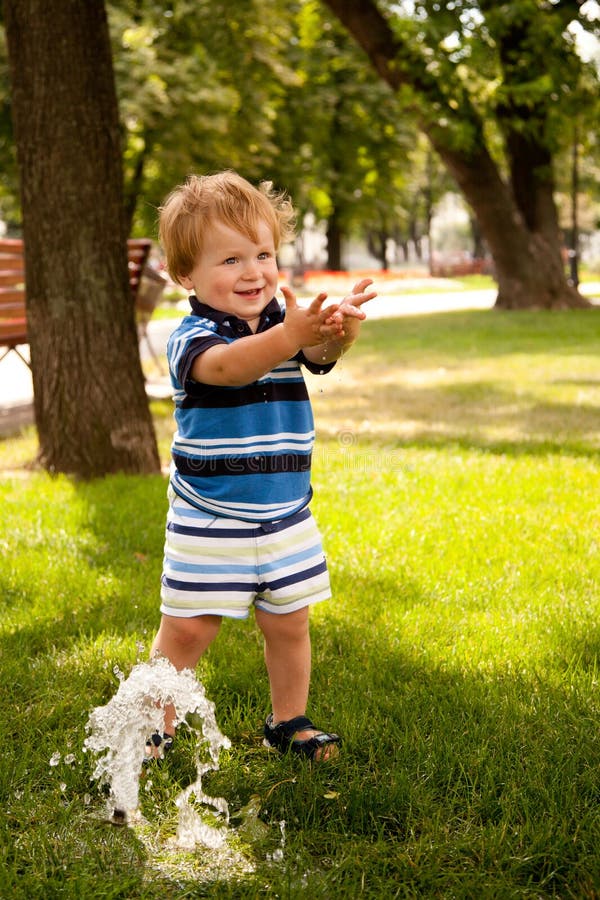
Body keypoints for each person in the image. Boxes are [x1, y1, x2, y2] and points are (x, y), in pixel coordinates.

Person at [148, 171, 376, 763]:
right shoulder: (192, 337)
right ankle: (154, 725)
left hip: (285, 512)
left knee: (288, 622)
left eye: (263, 254)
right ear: (185, 276)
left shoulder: (283, 323)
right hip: (211, 515)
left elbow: (317, 354)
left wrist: (337, 334)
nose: (252, 271)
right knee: (189, 629)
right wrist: (289, 335)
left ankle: (288, 721)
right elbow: (231, 368)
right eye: (229, 259)